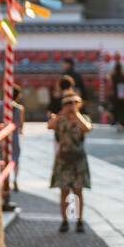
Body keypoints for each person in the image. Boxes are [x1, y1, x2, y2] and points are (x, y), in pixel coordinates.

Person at [47, 91, 92, 233]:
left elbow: (87, 128)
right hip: (63, 160)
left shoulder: (82, 118)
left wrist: (76, 114)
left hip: (78, 160)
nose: (71, 106)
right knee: (64, 192)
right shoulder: (60, 119)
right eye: (68, 103)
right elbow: (50, 125)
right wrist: (62, 113)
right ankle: (64, 220)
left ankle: (79, 220)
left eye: (74, 102)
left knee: (78, 192)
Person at [10, 85, 25, 193]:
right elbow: (20, 125)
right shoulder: (19, 109)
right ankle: (15, 179)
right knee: (15, 158)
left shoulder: (0, 106)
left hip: (4, 136)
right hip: (14, 135)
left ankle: (5, 178)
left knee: (3, 158)